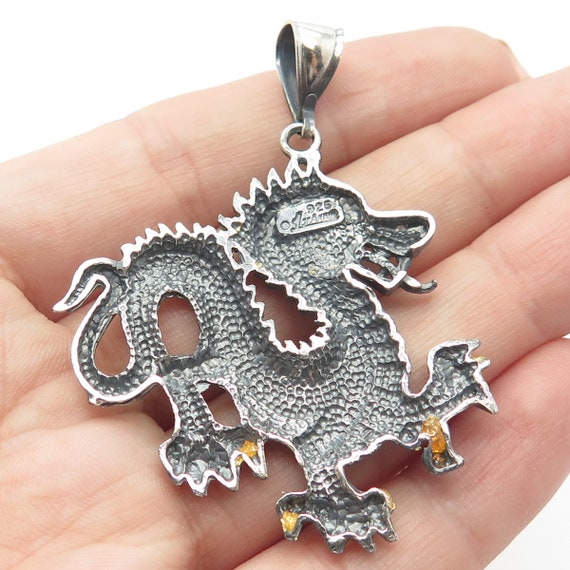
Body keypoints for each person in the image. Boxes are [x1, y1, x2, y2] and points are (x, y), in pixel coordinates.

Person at [0, 27, 568, 568]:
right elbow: (334, 437)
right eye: (351, 230)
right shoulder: (332, 384)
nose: (381, 237)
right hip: (280, 403)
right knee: (300, 416)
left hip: (306, 384)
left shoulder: (355, 370)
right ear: (306, 246)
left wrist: (433, 401)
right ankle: (201, 434)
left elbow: (385, 415)